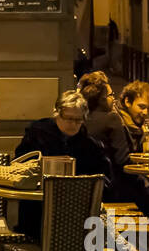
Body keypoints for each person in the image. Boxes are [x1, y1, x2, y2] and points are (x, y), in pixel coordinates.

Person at [12, 89, 111, 237]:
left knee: (98, 218)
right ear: (57, 114)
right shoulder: (38, 134)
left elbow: (104, 178)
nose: (73, 124)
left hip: (75, 210)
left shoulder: (89, 144)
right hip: (39, 210)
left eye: (78, 120)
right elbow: (21, 164)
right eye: (69, 118)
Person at [117, 80, 149, 153]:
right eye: (141, 107)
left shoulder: (137, 126)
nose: (145, 112)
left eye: (148, 108)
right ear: (127, 102)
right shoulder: (120, 125)